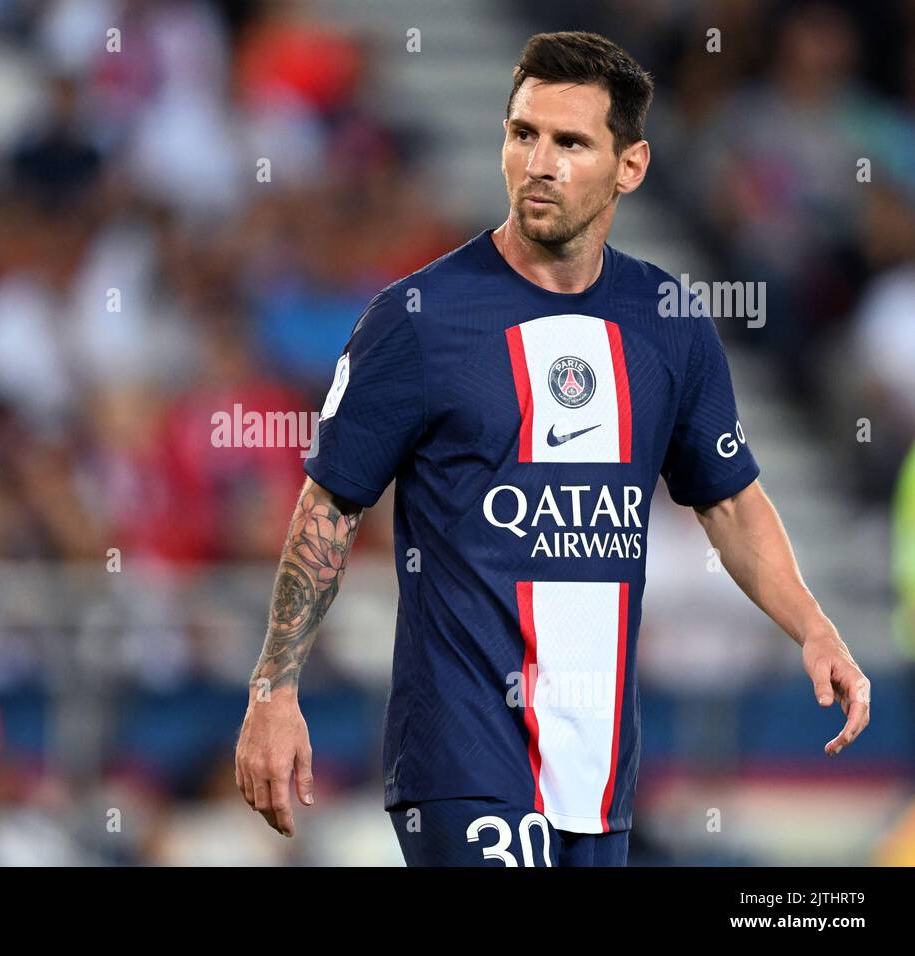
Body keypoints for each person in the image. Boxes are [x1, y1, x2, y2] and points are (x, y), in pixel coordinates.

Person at [233, 30, 871, 867]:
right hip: (463, 759)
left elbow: (728, 498)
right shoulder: (419, 321)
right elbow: (329, 505)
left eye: (569, 142)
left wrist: (813, 627)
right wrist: (274, 687)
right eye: (521, 132)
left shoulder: (667, 321)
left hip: (599, 769)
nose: (537, 161)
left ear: (630, 167)